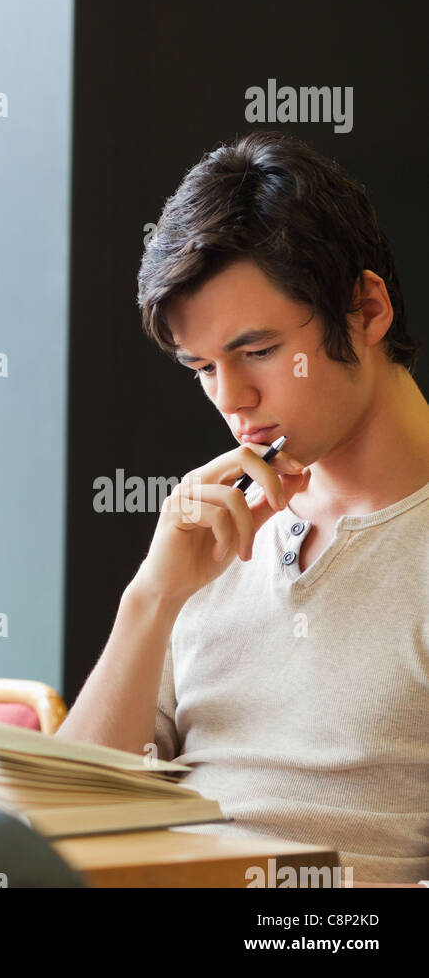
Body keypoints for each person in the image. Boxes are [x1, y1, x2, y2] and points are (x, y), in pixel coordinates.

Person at [55, 131, 429, 884]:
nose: (231, 400)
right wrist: (152, 600)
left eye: (256, 351)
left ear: (366, 307)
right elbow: (64, 823)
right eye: (202, 368)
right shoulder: (215, 536)